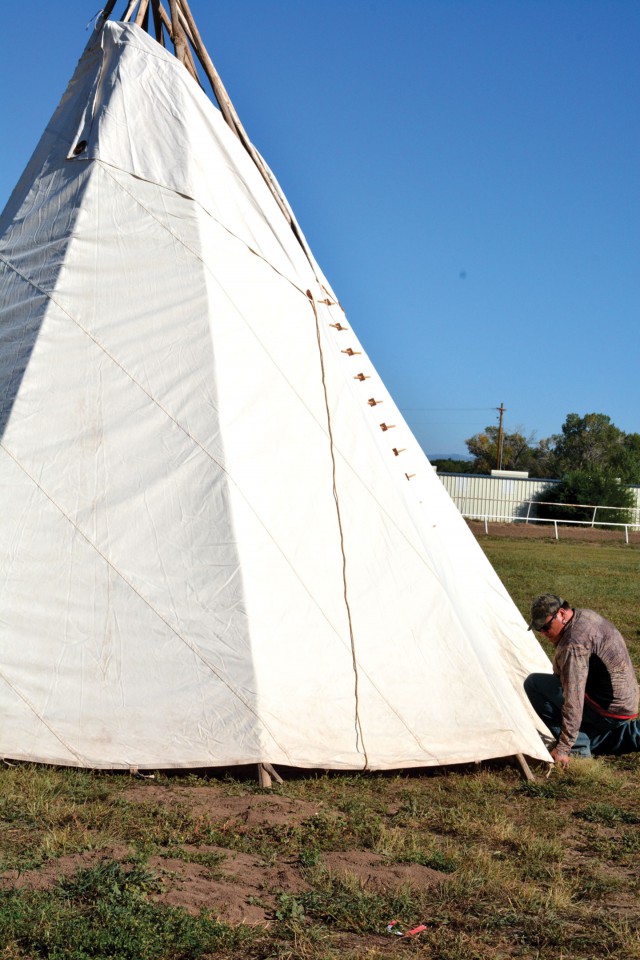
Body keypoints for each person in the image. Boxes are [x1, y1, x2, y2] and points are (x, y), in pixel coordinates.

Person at [525, 594, 640, 767]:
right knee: (592, 737)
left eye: (546, 627)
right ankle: (630, 733)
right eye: (538, 629)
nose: (543, 633)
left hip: (608, 709)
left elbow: (574, 699)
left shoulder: (573, 643)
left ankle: (579, 749)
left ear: (562, 614)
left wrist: (564, 747)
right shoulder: (585, 616)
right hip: (626, 703)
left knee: (534, 684)